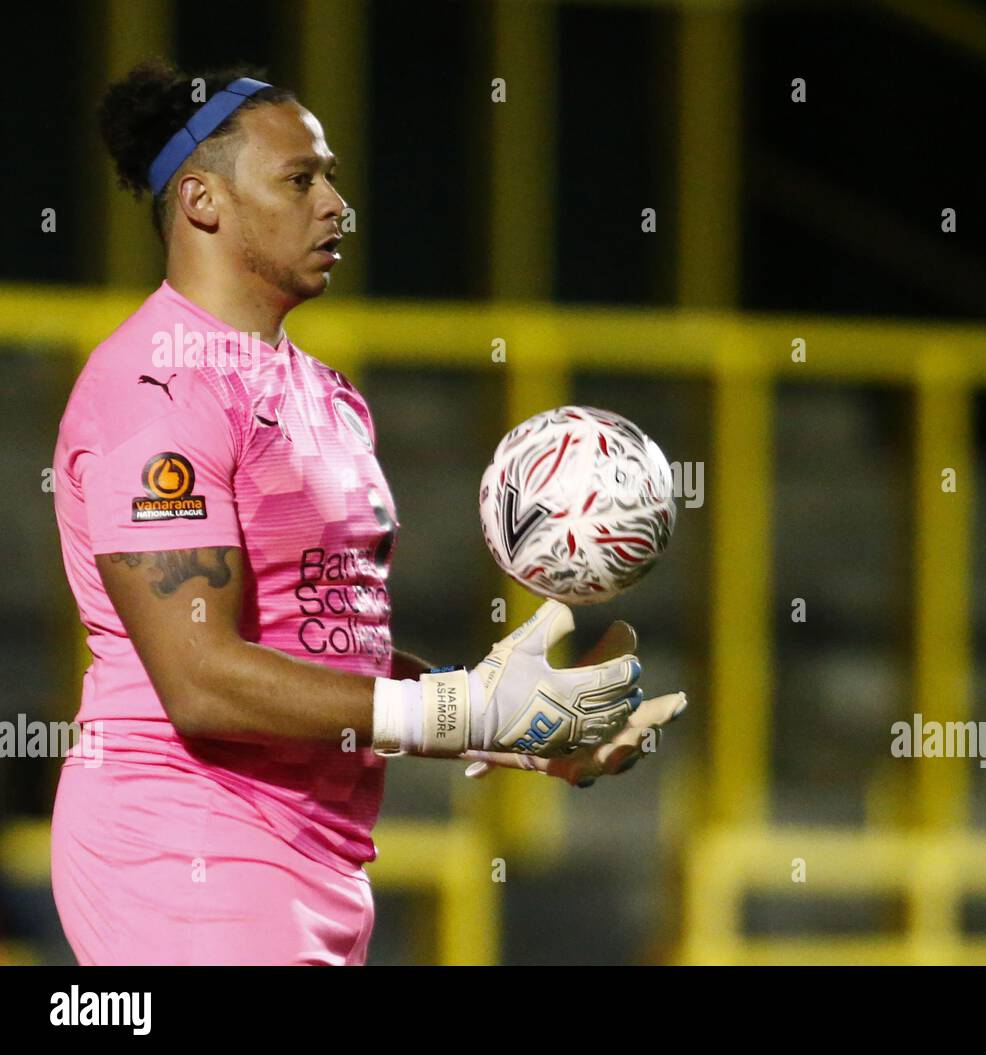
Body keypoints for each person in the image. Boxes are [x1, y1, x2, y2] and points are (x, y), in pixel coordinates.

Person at [49, 59, 686, 966]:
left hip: (315, 859)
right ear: (201, 201)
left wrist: (528, 730)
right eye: (301, 179)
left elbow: (324, 646)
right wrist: (469, 712)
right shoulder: (155, 388)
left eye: (334, 176)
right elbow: (200, 678)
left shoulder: (321, 391)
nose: (336, 204)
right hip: (185, 852)